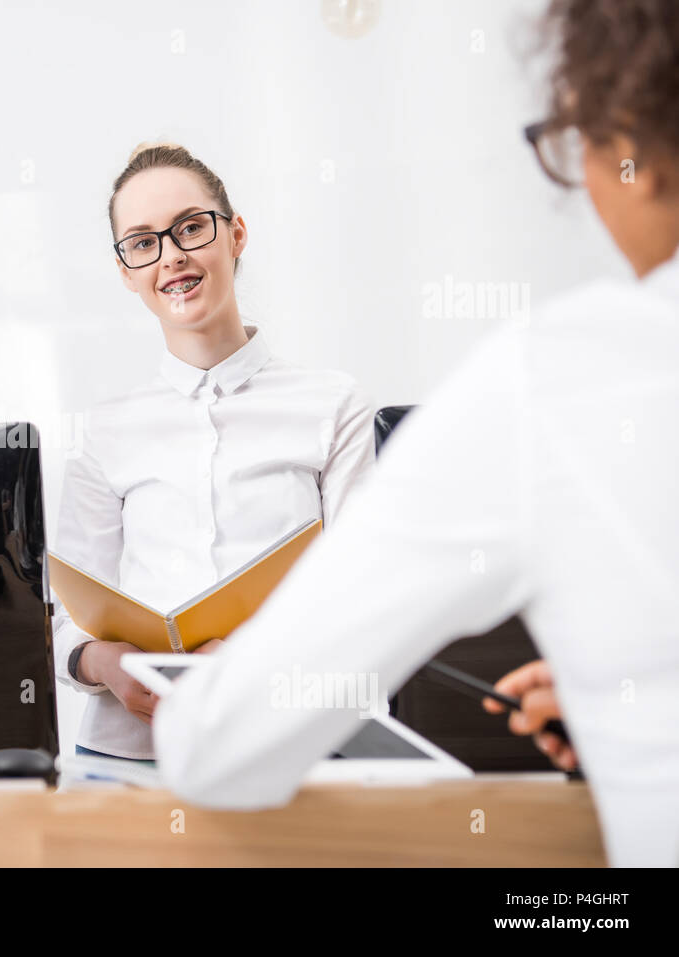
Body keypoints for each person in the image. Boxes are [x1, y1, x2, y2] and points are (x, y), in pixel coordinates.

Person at [154, 0, 679, 867]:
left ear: (627, 137)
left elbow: (218, 747)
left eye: (572, 142)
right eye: (144, 242)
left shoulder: (555, 376)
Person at [53, 143, 376, 761]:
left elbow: (361, 593)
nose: (171, 256)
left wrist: (257, 657)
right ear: (126, 271)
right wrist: (105, 663)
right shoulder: (105, 429)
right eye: (143, 242)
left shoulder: (332, 403)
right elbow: (69, 613)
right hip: (132, 754)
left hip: (290, 745)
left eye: (191, 228)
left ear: (235, 235)